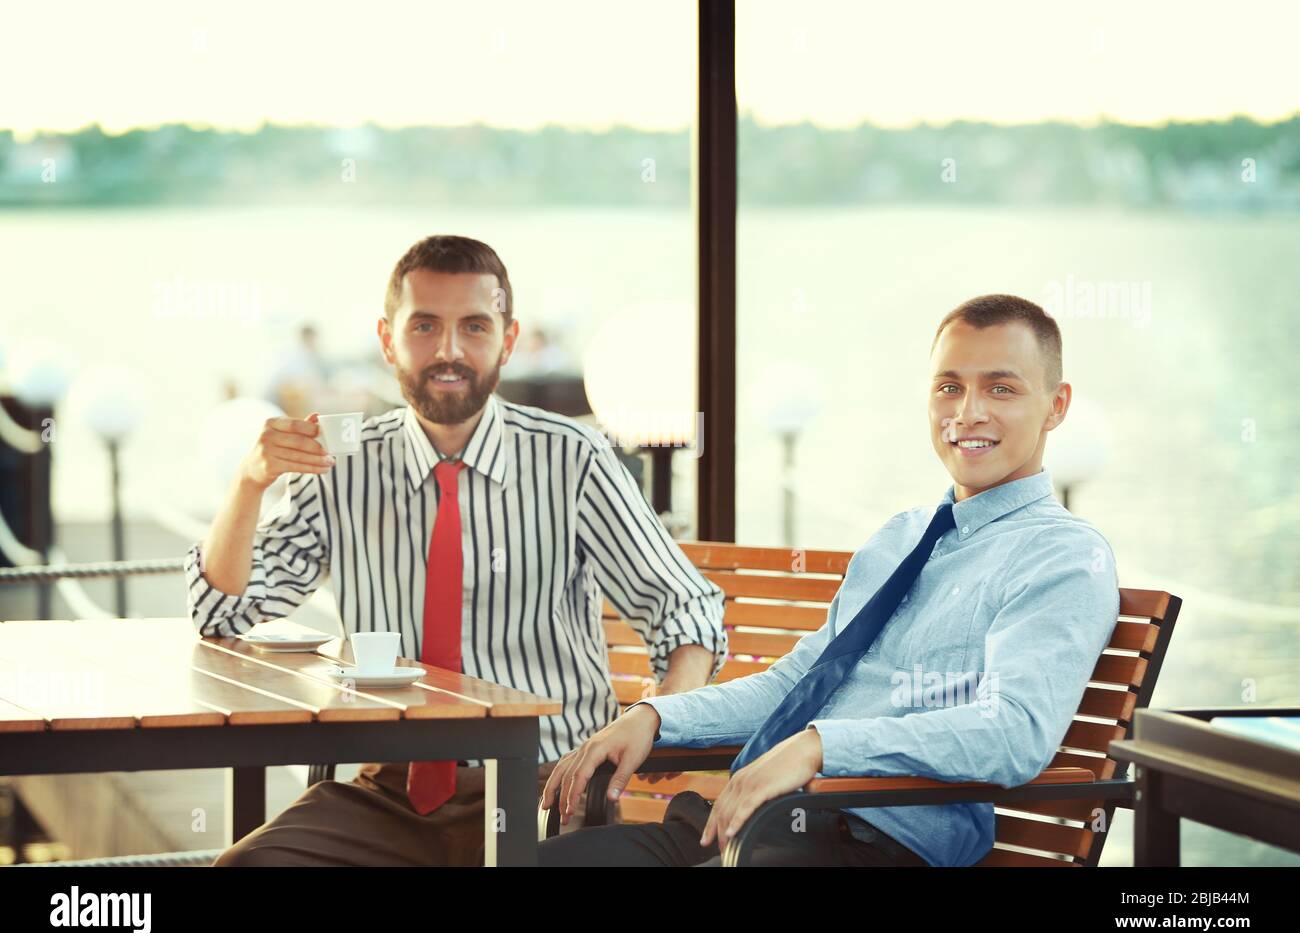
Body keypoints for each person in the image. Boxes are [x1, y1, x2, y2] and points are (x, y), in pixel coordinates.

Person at [186, 235, 726, 865]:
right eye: (425, 326)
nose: (448, 351)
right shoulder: (344, 464)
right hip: (387, 794)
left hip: (542, 787)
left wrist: (652, 720)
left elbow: (686, 608)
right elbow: (222, 613)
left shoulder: (570, 460)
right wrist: (250, 482)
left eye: (473, 326)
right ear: (388, 340)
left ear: (508, 337)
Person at [538, 294, 1121, 867]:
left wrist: (821, 748)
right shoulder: (901, 538)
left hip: (869, 841)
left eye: (1002, 388)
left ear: (1057, 405)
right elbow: (795, 684)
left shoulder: (1062, 556)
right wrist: (657, 716)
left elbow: (1013, 731)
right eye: (949, 387)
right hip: (753, 823)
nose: (968, 411)